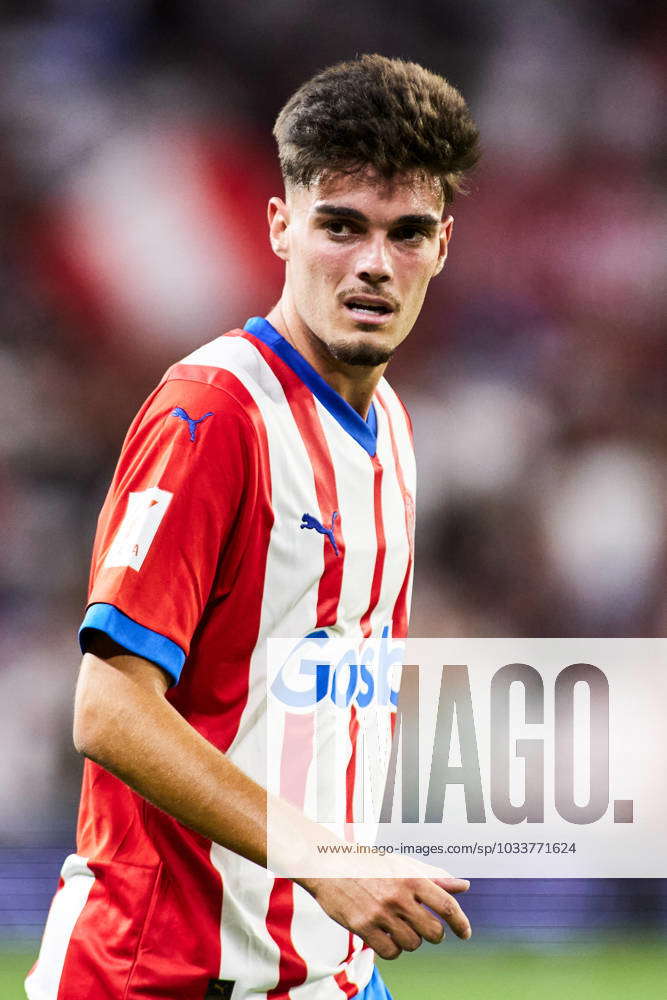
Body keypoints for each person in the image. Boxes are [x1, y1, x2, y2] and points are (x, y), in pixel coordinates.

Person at [26, 54, 480, 1000]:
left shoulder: (389, 424)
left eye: (406, 234)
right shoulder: (214, 413)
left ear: (443, 244)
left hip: (319, 973)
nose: (372, 264)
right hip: (162, 977)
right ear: (280, 226)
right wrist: (324, 858)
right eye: (341, 227)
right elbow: (109, 710)